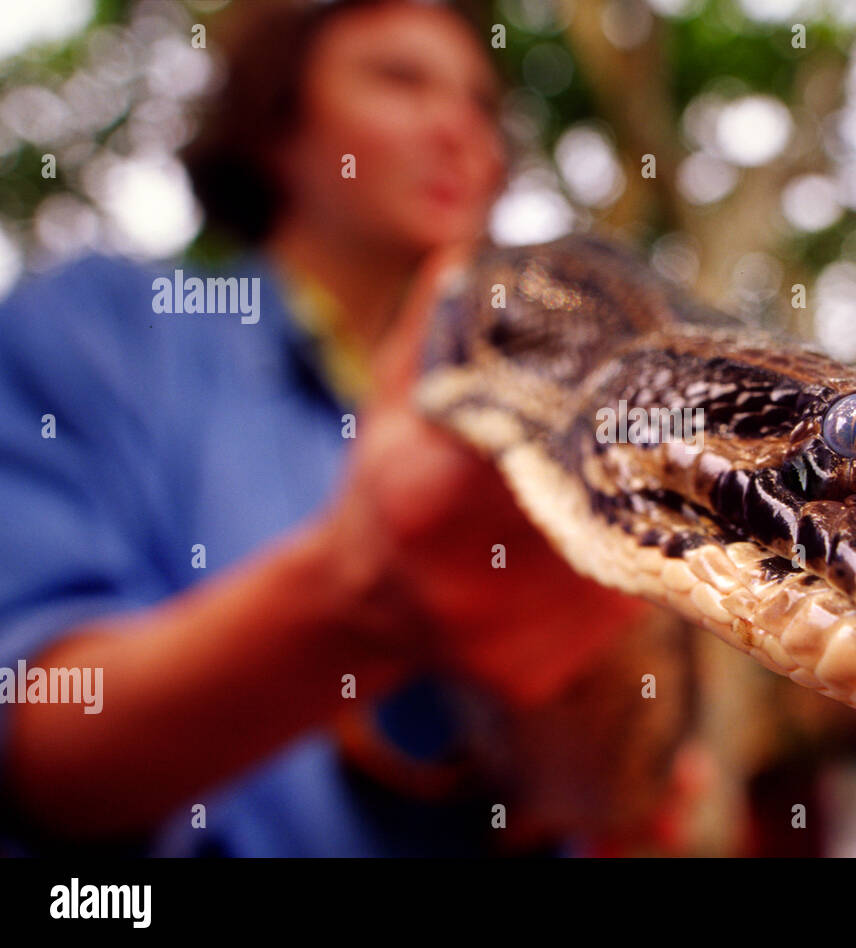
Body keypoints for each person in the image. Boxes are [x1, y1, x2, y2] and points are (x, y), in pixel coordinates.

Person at [0, 0, 690, 856]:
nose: (458, 130)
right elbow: (31, 731)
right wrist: (356, 597)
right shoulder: (97, 331)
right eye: (399, 79)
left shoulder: (537, 421)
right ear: (272, 123)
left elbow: (574, 801)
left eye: (480, 103)